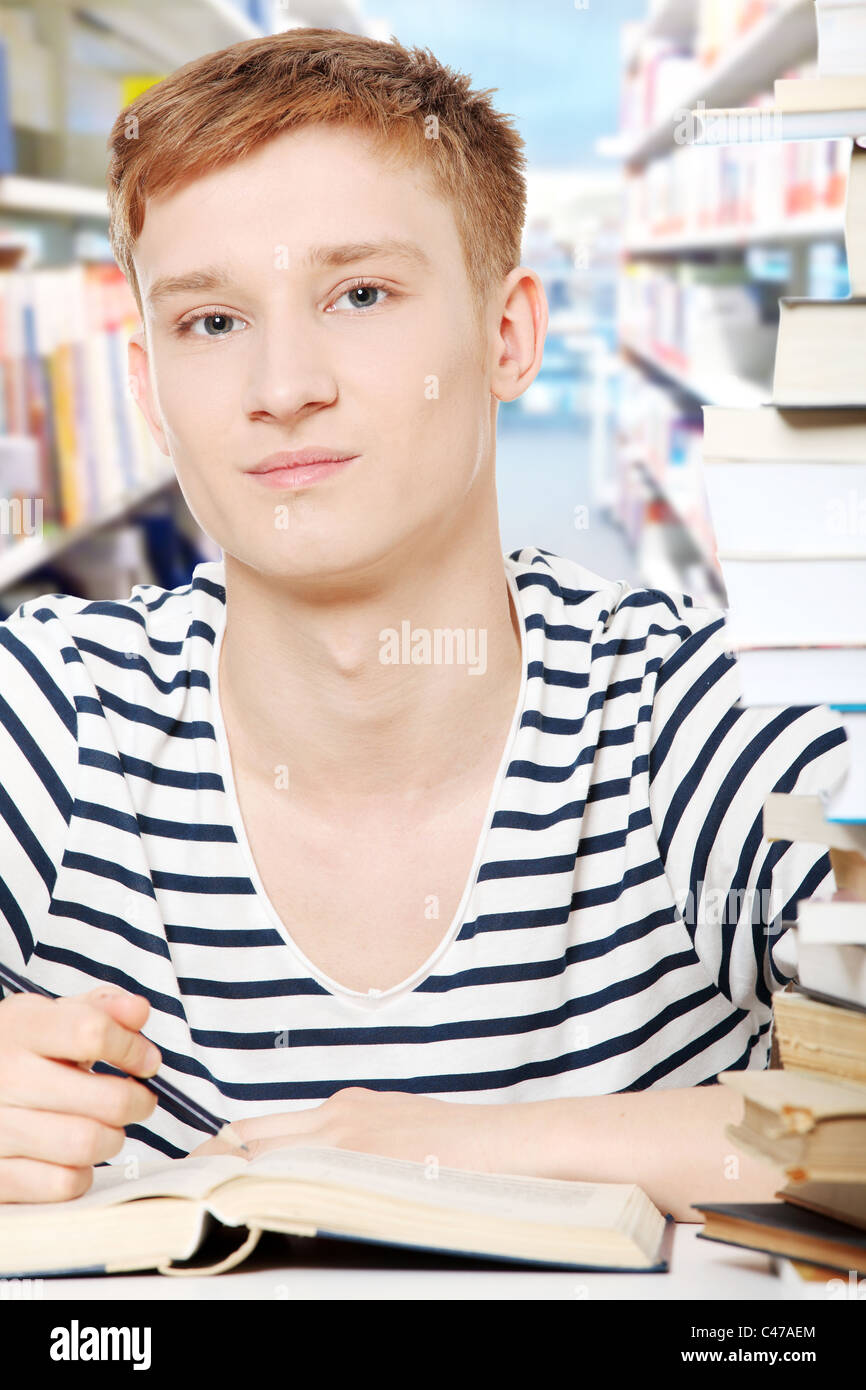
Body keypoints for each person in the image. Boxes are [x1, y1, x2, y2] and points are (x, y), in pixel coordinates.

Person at [0, 29, 849, 1218]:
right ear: (145, 388)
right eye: (210, 322)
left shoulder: (697, 710)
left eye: (360, 294)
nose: (283, 385)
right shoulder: (48, 718)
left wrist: (460, 1148)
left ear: (505, 338)